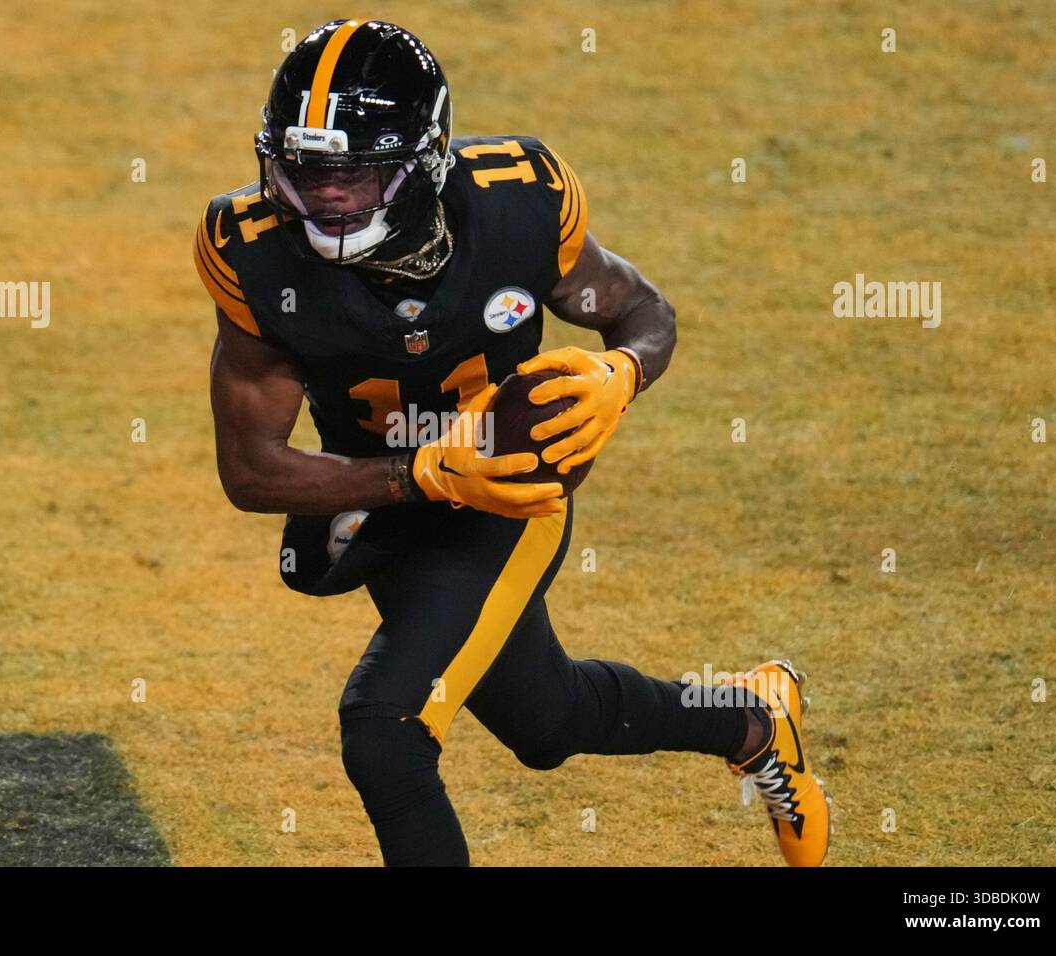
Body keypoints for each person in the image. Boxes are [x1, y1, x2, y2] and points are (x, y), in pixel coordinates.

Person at [195, 18, 829, 866]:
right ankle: (752, 718)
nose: (328, 197)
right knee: (547, 721)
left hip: (510, 492)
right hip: (391, 494)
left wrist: (623, 375)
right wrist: (422, 472)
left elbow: (644, 313)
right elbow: (250, 470)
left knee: (385, 734)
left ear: (422, 161)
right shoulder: (250, 250)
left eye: (356, 172)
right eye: (307, 170)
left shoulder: (518, 200)